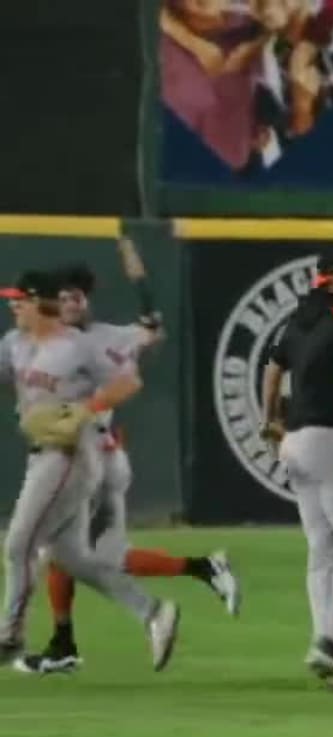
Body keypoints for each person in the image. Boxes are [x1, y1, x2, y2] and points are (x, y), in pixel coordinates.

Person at [17, 263, 239, 675]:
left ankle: (191, 576)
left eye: (76, 297)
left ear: (87, 300)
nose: (69, 304)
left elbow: (149, 341)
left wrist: (151, 330)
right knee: (66, 553)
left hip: (93, 454)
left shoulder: (104, 338)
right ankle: (64, 641)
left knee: (84, 555)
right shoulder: (51, 342)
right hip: (83, 453)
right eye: (62, 297)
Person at [0, 271, 180, 669]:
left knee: (19, 544)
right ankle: (152, 612)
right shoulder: (14, 344)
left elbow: (128, 382)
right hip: (40, 453)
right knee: (71, 557)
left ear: (41, 303)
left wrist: (87, 408)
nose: (13, 306)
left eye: (20, 300)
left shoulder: (77, 347)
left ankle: (9, 637)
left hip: (71, 455)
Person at [262, 250, 333, 684]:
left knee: (322, 548)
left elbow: (273, 367)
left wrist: (269, 417)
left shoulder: (300, 319)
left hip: (294, 441)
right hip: (330, 437)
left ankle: (326, 641)